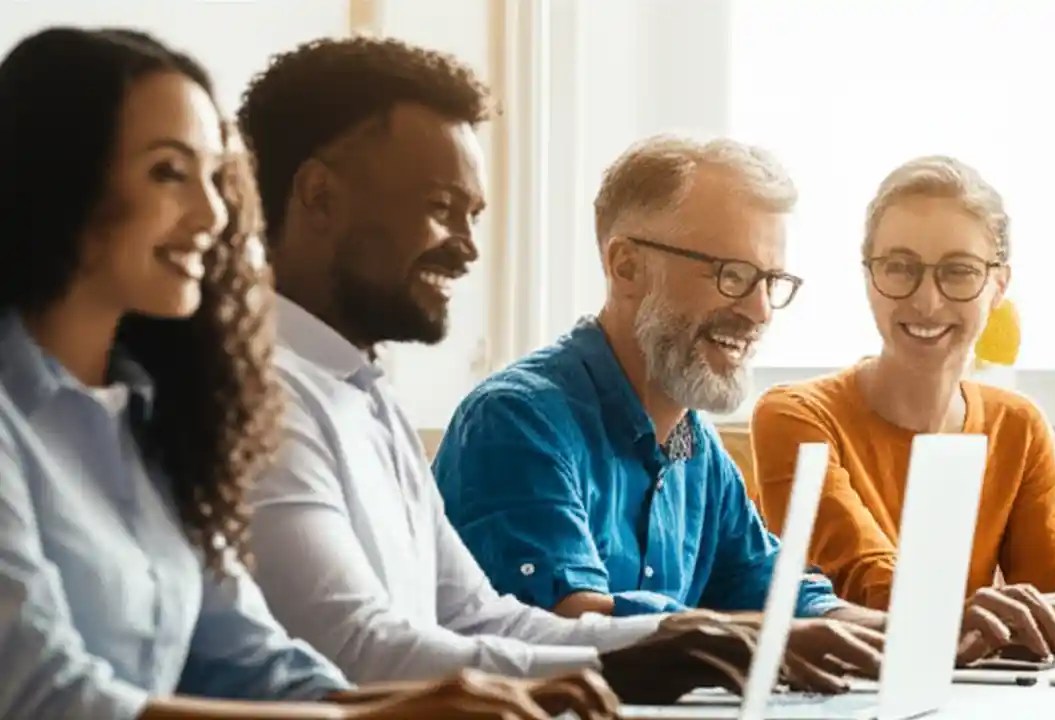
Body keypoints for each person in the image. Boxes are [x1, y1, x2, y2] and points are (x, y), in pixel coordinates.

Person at [0, 27, 617, 720]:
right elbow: (45, 696)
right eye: (170, 172)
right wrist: (363, 717)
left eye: (214, 176)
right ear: (55, 177)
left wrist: (467, 699)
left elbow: (258, 664)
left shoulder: (158, 421)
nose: (214, 214)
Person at [236, 36, 814, 703]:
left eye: (474, 216)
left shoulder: (366, 395)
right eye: (440, 208)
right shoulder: (256, 395)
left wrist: (675, 637)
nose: (469, 249)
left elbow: (480, 617)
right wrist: (642, 652)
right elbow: (355, 650)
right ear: (318, 195)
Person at [433, 135, 1055, 667]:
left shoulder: (696, 447)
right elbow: (569, 627)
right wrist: (773, 636)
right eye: (731, 275)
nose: (760, 310)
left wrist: (931, 632)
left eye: (772, 281)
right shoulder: (518, 421)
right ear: (625, 267)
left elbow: (789, 598)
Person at [749, 155, 1055, 649]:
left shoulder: (1018, 425)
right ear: (867, 276)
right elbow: (864, 582)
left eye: (959, 272)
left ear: (998, 285)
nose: (927, 301)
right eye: (899, 268)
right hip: (846, 688)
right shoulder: (793, 416)